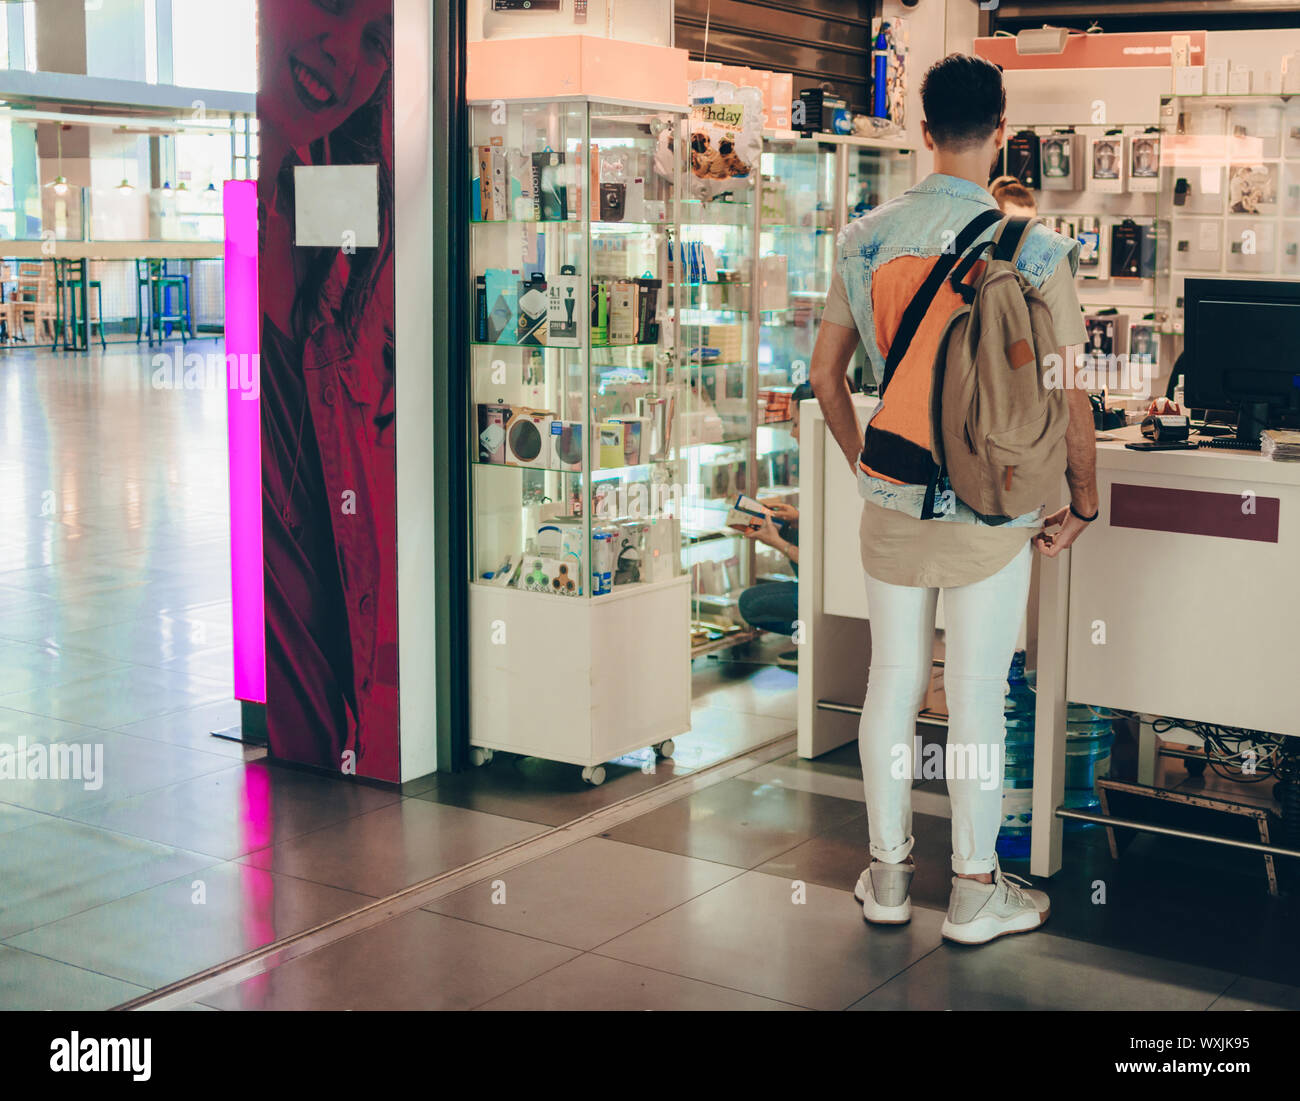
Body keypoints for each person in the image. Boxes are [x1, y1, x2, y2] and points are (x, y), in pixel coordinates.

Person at [810, 53, 1098, 945]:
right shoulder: (1038, 249)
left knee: (891, 683)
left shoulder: (863, 238)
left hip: (892, 499)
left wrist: (868, 464)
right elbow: (1068, 389)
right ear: (1001, 130)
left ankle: (889, 875)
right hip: (997, 504)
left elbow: (826, 376)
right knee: (978, 693)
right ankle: (975, 889)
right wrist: (1080, 498)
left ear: (923, 131)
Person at [258, 0, 399, 780]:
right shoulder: (283, 210)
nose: (342, 54)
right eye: (336, 7)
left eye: (374, 41)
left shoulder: (340, 235)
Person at [736, 383, 812, 669]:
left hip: (832, 590)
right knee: (793, 529)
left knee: (750, 604)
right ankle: (811, 640)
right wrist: (798, 518)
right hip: (832, 586)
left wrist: (777, 543)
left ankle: (813, 642)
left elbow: (823, 565)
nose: (792, 433)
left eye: (795, 423)